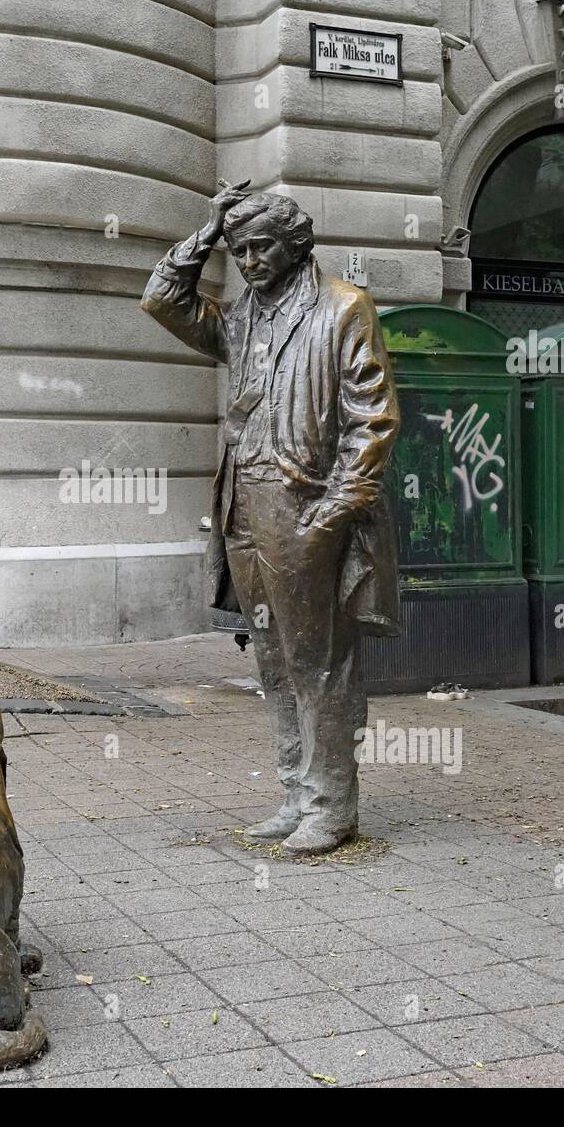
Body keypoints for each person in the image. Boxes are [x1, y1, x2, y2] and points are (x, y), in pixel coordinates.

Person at [140, 181, 401, 854]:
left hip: (305, 505)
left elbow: (372, 422)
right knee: (274, 658)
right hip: (242, 504)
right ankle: (296, 792)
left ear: (294, 246)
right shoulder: (242, 316)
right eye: (241, 249)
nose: (250, 260)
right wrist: (208, 229)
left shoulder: (344, 309)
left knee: (320, 660)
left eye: (261, 247)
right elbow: (161, 298)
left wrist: (334, 510)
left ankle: (331, 804)